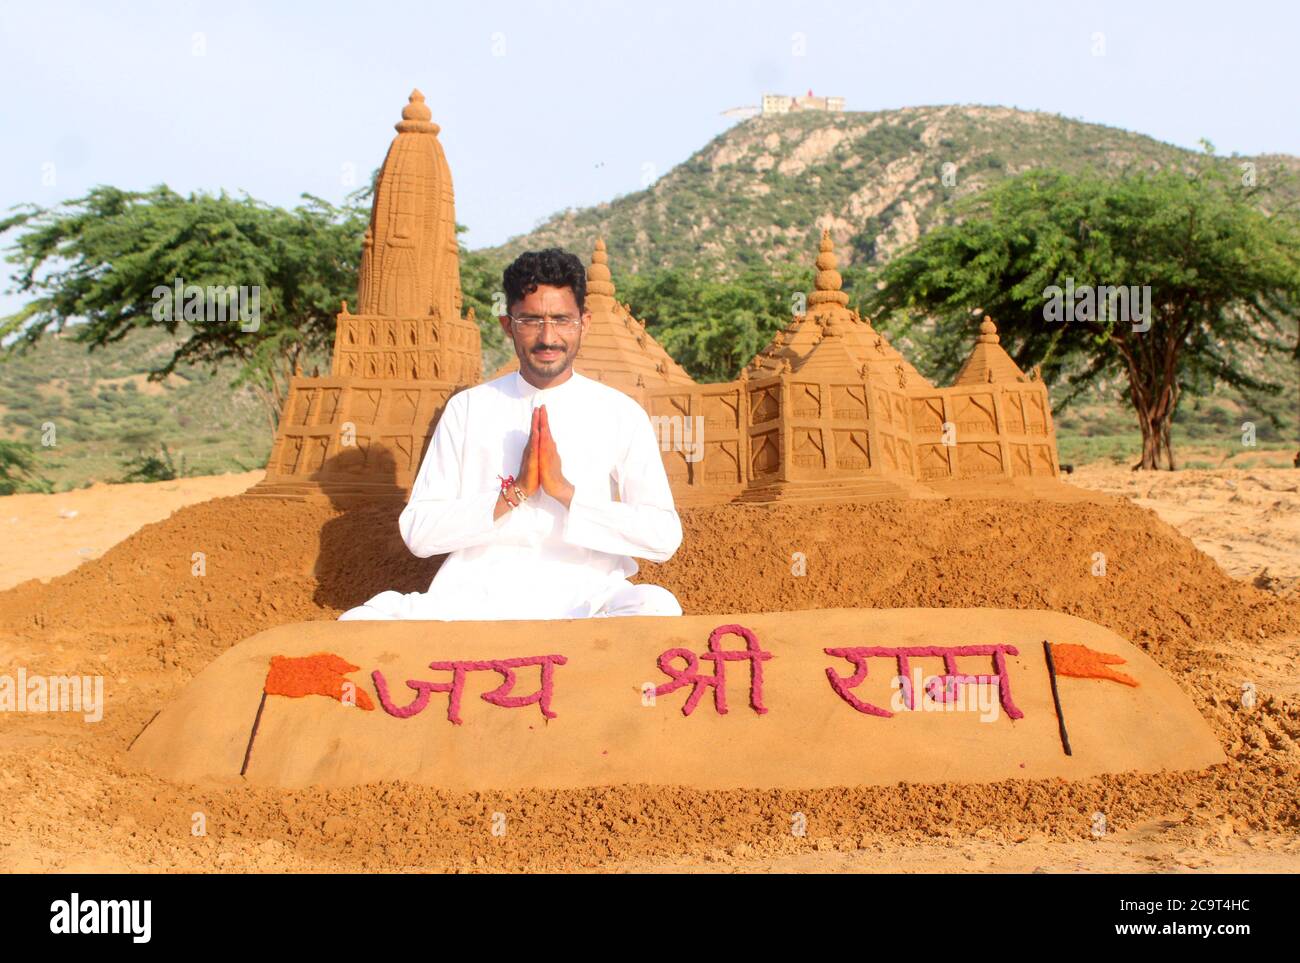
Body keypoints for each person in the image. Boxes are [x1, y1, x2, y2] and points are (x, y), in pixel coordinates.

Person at [338, 248, 684, 621]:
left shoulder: (619, 412)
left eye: (562, 320)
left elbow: (662, 537)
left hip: (588, 600)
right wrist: (515, 491)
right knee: (360, 622)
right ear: (508, 325)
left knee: (656, 607)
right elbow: (419, 533)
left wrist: (563, 492)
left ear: (584, 323)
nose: (548, 337)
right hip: (475, 600)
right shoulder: (468, 408)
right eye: (532, 320)